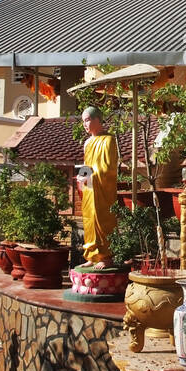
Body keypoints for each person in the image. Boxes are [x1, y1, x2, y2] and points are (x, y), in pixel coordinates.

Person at [78, 106, 118, 264]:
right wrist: (82, 176)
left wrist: (93, 175)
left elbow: (109, 168)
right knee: (89, 219)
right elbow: (86, 165)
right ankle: (91, 255)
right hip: (89, 187)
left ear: (97, 120)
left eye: (87, 120)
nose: (85, 125)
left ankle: (106, 256)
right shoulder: (87, 142)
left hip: (103, 187)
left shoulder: (109, 140)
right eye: (83, 122)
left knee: (102, 219)